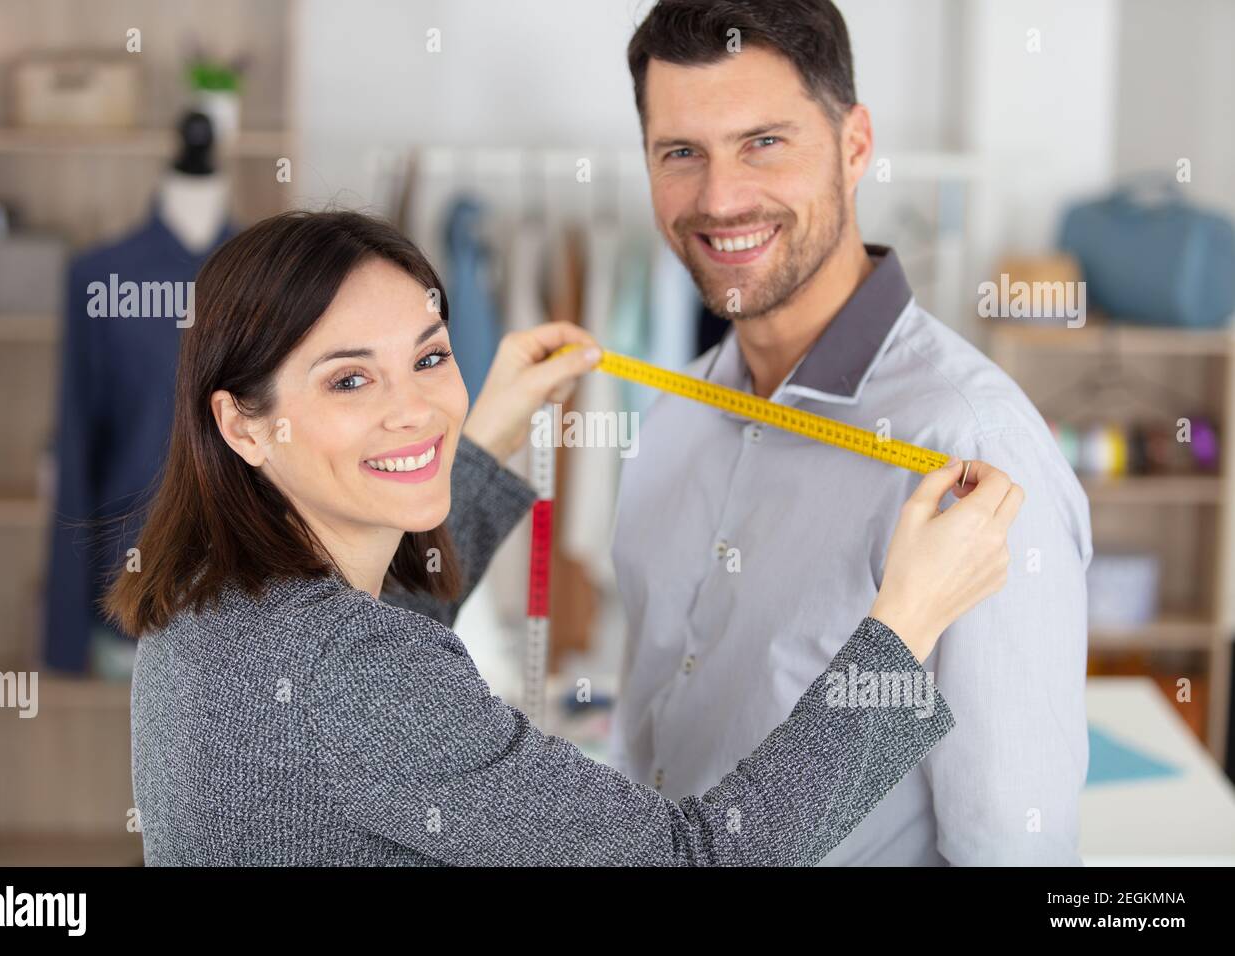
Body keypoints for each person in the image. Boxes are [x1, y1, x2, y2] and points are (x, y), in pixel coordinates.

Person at [107, 210, 1021, 866]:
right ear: (244, 425)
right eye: (351, 383)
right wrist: (905, 623)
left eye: (429, 358)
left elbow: (379, 637)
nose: (419, 410)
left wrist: (484, 442)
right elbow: (695, 861)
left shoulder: (201, 599)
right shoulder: (352, 672)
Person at [609, 0, 1091, 865]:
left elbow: (1012, 853)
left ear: (855, 144)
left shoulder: (972, 452)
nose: (720, 199)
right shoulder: (671, 420)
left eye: (764, 141)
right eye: (681, 153)